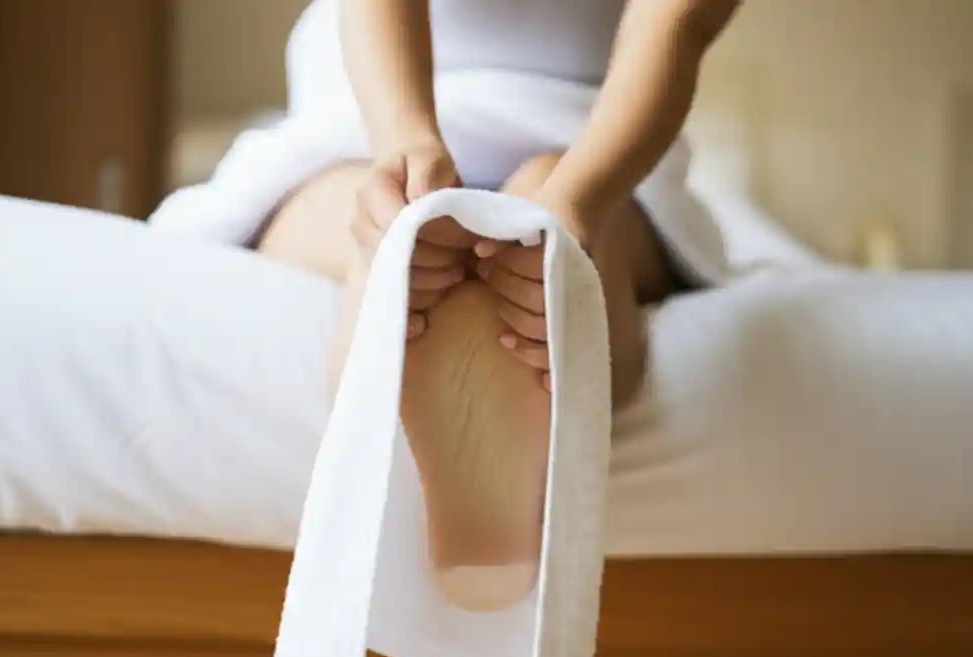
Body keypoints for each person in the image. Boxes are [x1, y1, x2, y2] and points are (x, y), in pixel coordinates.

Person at [157, 0, 738, 610]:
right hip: (518, 131)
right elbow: (674, 27)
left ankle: (396, 289)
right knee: (563, 243)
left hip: (417, 135)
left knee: (366, 209)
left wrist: (416, 170)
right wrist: (573, 202)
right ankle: (563, 308)